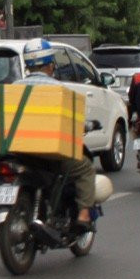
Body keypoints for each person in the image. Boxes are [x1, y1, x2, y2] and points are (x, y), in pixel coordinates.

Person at [21, 39, 100, 226]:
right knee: (86, 168)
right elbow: (73, 123)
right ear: (50, 65)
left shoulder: (14, 87)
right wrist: (87, 126)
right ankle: (83, 215)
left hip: (20, 151)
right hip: (49, 154)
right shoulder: (59, 90)